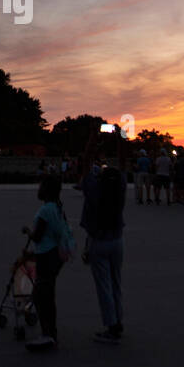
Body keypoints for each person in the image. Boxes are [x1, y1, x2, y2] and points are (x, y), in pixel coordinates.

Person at [79, 134, 125, 344]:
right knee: (116, 284)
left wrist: (91, 142)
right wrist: (120, 138)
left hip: (98, 241)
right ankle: (118, 320)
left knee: (104, 286)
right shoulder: (119, 190)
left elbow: (85, 165)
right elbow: (123, 163)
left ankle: (111, 326)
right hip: (117, 240)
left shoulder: (94, 190)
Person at [23, 175, 73, 351]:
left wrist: (28, 231)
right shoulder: (58, 208)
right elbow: (53, 235)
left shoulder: (45, 210)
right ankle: (51, 333)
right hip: (55, 255)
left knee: (41, 295)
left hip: (47, 256)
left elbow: (38, 237)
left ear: (46, 190)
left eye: (41, 186)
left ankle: (48, 335)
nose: (38, 188)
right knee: (47, 294)